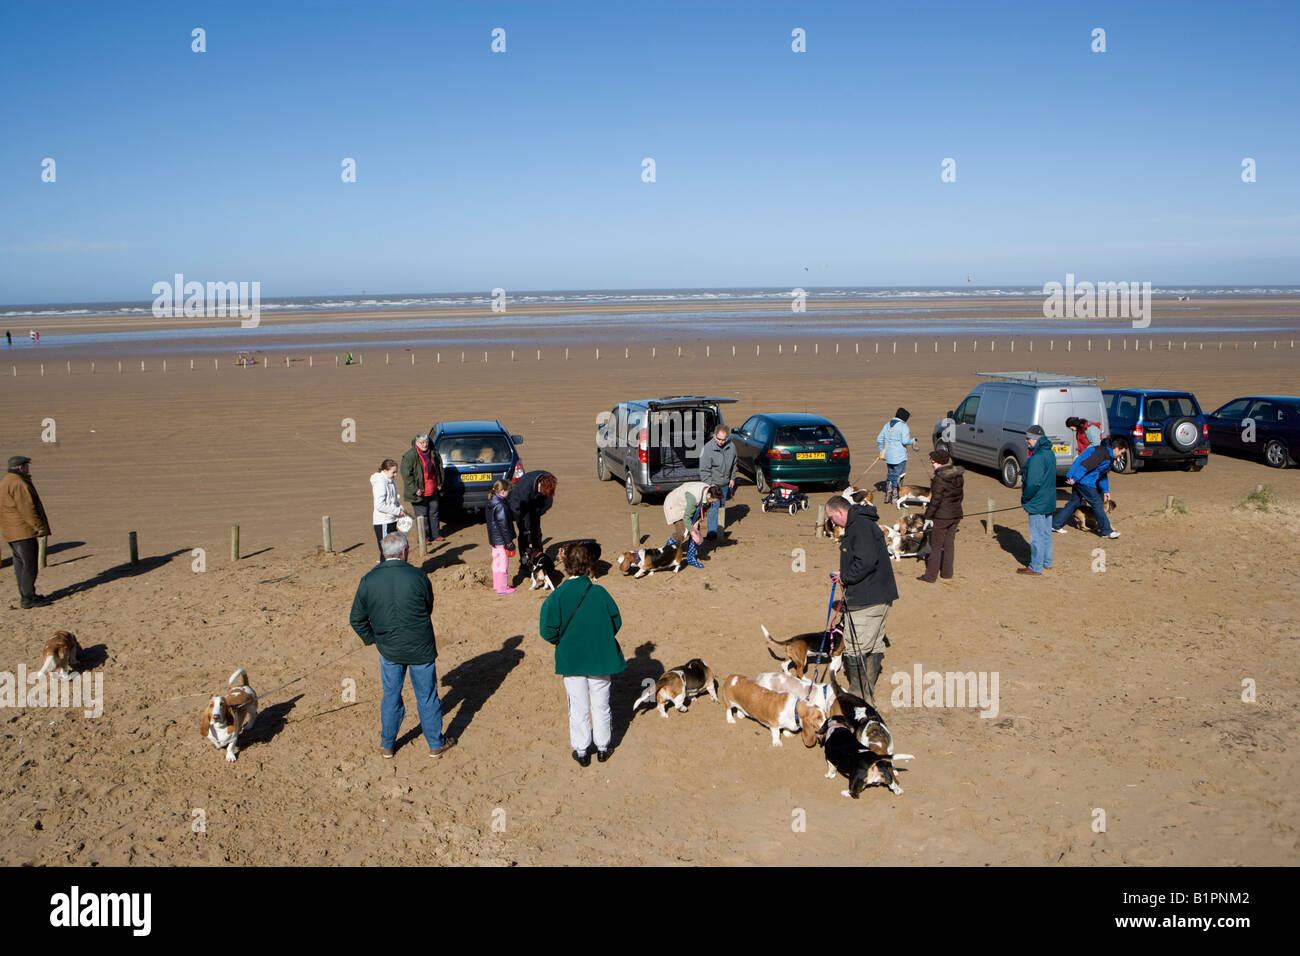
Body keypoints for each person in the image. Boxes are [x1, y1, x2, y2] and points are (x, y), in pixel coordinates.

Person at [349, 531, 456, 758]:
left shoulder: (369, 579)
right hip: (419, 647)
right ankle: (435, 744)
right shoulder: (418, 576)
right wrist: (374, 638)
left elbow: (356, 619)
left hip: (389, 648)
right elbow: (428, 606)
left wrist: (374, 639)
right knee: (427, 696)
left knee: (391, 696)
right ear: (404, 551)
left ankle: (387, 744)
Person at [539, 543, 625, 766]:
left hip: (572, 659)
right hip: (601, 657)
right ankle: (604, 747)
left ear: (567, 566)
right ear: (589, 565)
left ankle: (582, 750)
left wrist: (562, 642)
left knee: (577, 706)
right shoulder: (600, 592)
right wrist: (603, 637)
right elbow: (616, 621)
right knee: (601, 704)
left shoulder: (557, 595)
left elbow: (546, 630)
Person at [826, 494, 897, 700]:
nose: (832, 522)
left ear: (840, 511)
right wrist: (844, 572)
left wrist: (846, 577)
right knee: (874, 643)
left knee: (854, 646)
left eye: (832, 517)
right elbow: (864, 558)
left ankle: (858, 691)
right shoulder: (862, 524)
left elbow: (866, 561)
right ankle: (867, 687)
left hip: (868, 598)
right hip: (879, 593)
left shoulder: (859, 527)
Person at [2, 455, 51, 608]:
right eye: (27, 466)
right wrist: (39, 527)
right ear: (21, 467)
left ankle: (26, 595)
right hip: (23, 530)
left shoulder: (6, 481)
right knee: (29, 565)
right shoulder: (18, 483)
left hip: (11, 531)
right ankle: (28, 598)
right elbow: (27, 509)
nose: (28, 468)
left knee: (20, 565)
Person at [1053, 426, 1120, 539]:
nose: (1120, 455)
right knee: (1097, 504)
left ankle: (1055, 524)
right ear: (1115, 449)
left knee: (1074, 503)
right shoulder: (1102, 454)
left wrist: (1106, 490)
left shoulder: (1101, 453)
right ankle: (1106, 531)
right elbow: (1085, 465)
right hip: (1084, 481)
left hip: (1079, 479)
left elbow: (1102, 475)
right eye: (1121, 453)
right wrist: (1074, 478)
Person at [918, 449, 963, 583]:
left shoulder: (939, 478)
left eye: (932, 461)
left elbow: (935, 500)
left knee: (936, 545)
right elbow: (960, 496)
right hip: (956, 513)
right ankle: (947, 573)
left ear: (937, 462)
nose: (931, 464)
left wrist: (928, 515)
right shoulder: (957, 474)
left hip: (943, 516)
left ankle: (930, 576)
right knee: (949, 544)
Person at [1018, 425, 1057, 575]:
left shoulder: (1037, 457)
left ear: (1035, 439)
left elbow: (1033, 483)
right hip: (1048, 499)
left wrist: (1025, 498)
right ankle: (1047, 561)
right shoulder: (1049, 453)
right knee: (1046, 532)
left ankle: (1035, 566)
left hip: (1037, 501)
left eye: (1028, 438)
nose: (1027, 441)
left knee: (1037, 535)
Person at [662, 480, 721, 569]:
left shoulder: (709, 492)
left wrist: (696, 526)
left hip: (689, 507)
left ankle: (691, 558)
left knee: (696, 531)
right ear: (709, 495)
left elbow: (703, 508)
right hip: (675, 505)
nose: (713, 503)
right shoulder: (693, 498)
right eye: (713, 500)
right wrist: (693, 533)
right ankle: (664, 556)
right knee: (682, 532)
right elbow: (686, 518)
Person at [400, 434, 444, 548]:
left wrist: (440, 483)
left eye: (426, 442)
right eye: (422, 443)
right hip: (419, 491)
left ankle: (436, 534)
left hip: (433, 488)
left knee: (434, 512)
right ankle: (424, 538)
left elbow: (439, 468)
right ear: (416, 443)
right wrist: (415, 489)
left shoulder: (433, 453)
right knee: (422, 515)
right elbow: (407, 475)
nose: (424, 445)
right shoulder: (410, 456)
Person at [507, 470, 556, 570]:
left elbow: (547, 502)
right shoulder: (523, 487)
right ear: (539, 485)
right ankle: (524, 563)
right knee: (524, 534)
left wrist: (537, 513)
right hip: (519, 507)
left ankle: (539, 558)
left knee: (536, 533)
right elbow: (517, 508)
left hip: (535, 506)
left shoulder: (548, 481)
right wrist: (526, 527)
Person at [697, 425, 737, 539]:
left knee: (722, 506)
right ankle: (712, 533)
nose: (721, 441)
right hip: (713, 484)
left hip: (725, 484)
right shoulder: (707, 449)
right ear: (715, 436)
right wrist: (710, 485)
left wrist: (732, 478)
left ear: (727, 437)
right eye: (718, 439)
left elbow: (734, 463)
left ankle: (720, 530)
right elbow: (704, 470)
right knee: (714, 507)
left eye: (723, 439)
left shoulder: (731, 447)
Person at [877, 408, 919, 504]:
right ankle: (895, 498)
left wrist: (881, 451)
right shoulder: (903, 426)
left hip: (888, 456)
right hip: (899, 456)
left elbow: (879, 439)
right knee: (899, 476)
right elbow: (905, 441)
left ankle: (888, 496)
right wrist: (912, 441)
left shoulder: (887, 425)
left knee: (891, 475)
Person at [486, 479, 516, 595]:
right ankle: (503, 587)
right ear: (503, 491)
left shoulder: (490, 501)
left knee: (496, 563)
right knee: (503, 564)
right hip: (502, 540)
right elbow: (503, 525)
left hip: (494, 539)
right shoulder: (501, 505)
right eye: (508, 491)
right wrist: (508, 541)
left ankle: (497, 585)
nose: (509, 493)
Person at [370, 459, 404, 560]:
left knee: (394, 550)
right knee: (386, 551)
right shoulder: (380, 483)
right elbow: (379, 505)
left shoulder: (390, 481)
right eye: (393, 472)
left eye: (396, 472)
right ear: (385, 470)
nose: (395, 474)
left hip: (391, 519)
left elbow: (392, 500)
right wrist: (397, 511)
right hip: (383, 522)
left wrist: (400, 509)